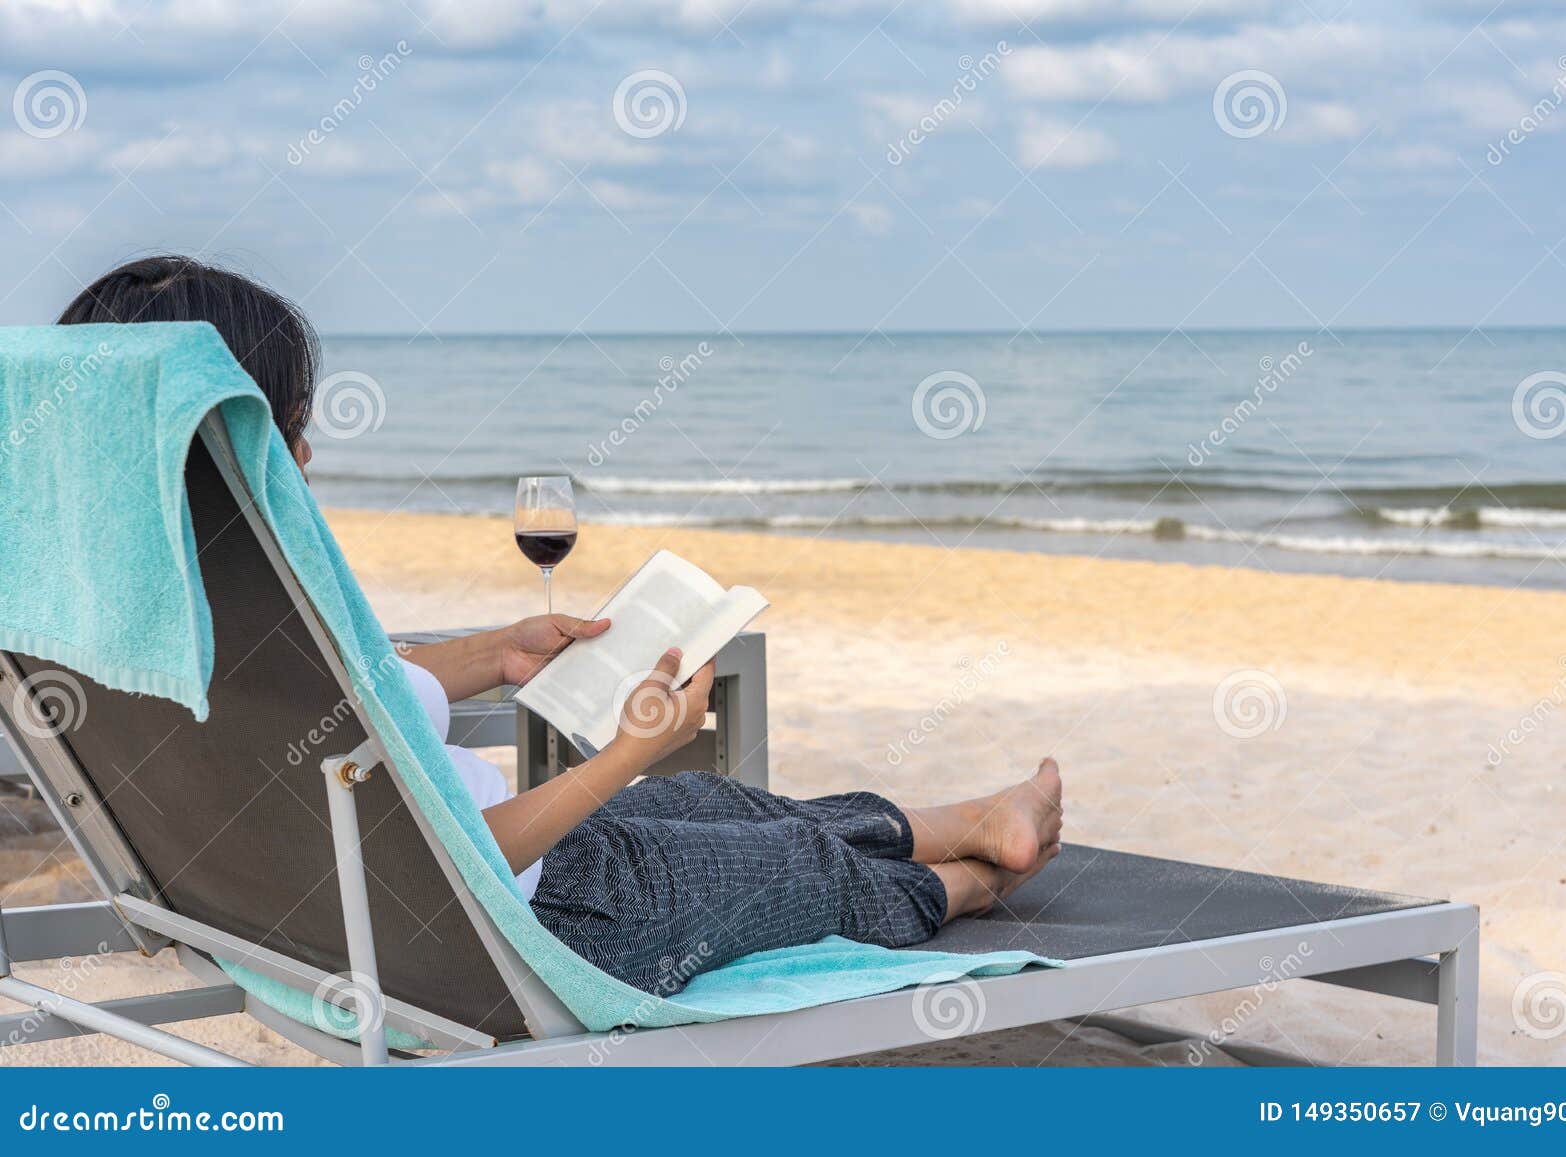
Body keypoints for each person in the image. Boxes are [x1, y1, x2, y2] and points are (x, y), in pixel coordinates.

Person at [58, 255, 1063, 995]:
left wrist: (491, 656)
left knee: (721, 806)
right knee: (797, 869)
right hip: (528, 918)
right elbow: (460, 864)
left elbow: (341, 717)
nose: (308, 454)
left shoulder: (131, 619)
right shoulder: (249, 620)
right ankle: (973, 881)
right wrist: (626, 753)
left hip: (434, 883)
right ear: (227, 436)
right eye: (288, 426)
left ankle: (979, 819)